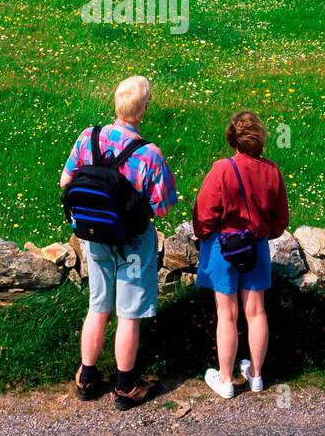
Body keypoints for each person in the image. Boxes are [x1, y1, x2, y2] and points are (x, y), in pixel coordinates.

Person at [61, 75, 177, 411]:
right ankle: (125, 386)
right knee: (128, 313)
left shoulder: (88, 138)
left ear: (116, 104)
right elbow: (163, 205)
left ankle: (86, 377)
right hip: (133, 241)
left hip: (94, 238)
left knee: (98, 305)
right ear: (143, 110)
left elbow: (66, 181)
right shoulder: (149, 154)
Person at [192, 111, 289, 399]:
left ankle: (226, 379)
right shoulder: (271, 172)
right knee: (256, 311)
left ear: (232, 139)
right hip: (255, 246)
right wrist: (261, 234)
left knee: (227, 314)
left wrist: (204, 233)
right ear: (260, 139)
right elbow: (280, 220)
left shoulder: (222, 169)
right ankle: (257, 375)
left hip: (224, 246)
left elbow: (204, 214)